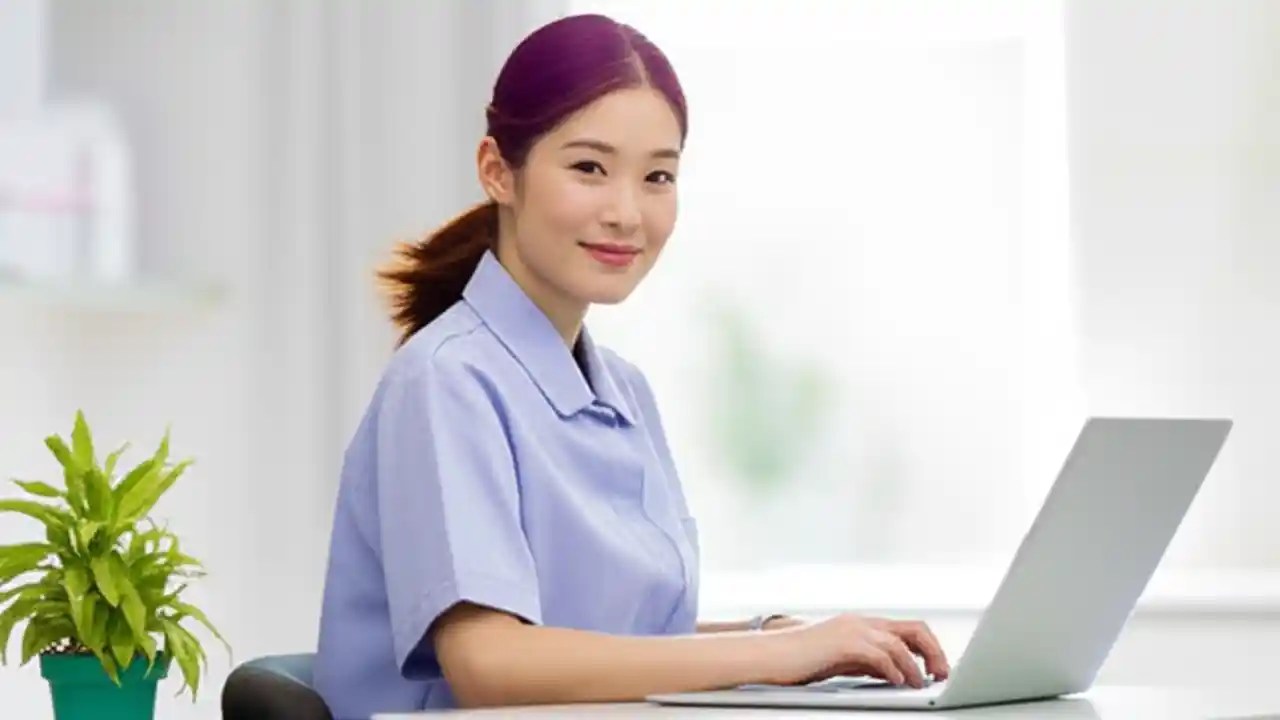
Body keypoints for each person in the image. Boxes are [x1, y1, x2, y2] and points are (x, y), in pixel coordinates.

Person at [313, 13, 950, 718]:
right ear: (498, 171)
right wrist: (773, 655)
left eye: (658, 176)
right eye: (589, 167)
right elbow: (490, 663)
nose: (626, 212)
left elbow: (620, 645)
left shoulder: (624, 391)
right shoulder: (446, 379)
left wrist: (790, 640)